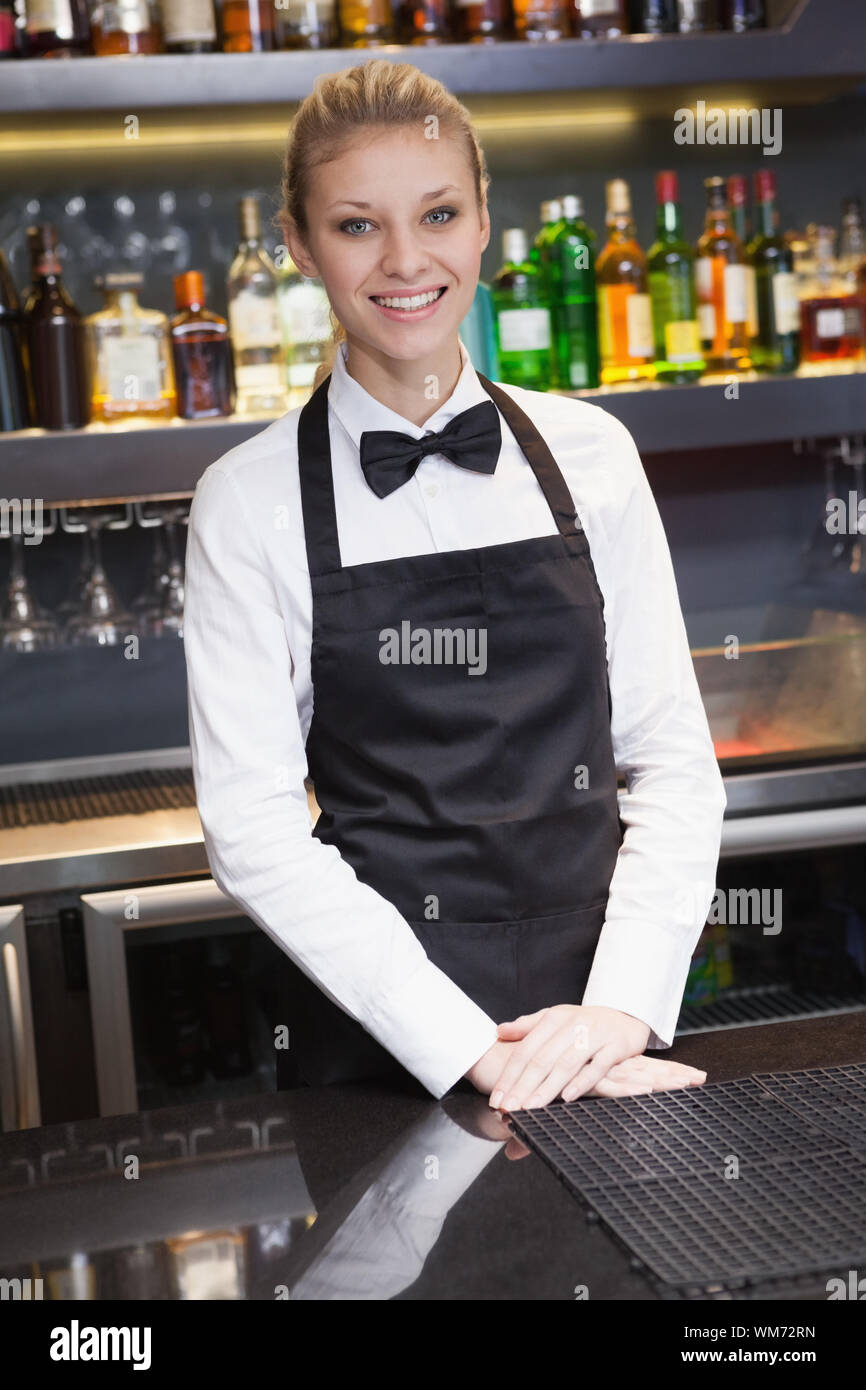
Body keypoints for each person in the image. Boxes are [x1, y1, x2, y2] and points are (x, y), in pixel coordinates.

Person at [183, 60, 726, 1113]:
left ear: (483, 225)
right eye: (355, 226)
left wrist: (617, 1009)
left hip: (600, 1044)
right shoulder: (244, 503)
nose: (403, 260)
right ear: (297, 244)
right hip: (382, 1057)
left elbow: (669, 764)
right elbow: (249, 831)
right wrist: (467, 1047)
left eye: (437, 213)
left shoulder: (593, 454)